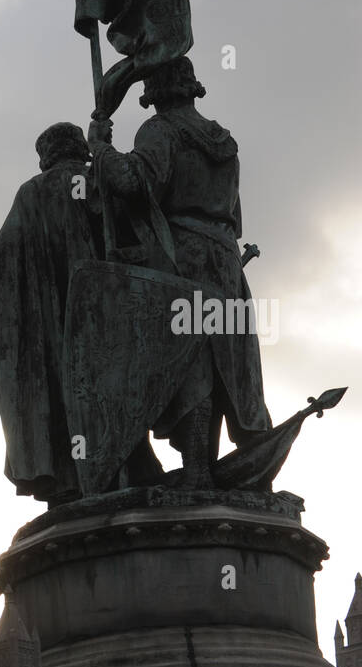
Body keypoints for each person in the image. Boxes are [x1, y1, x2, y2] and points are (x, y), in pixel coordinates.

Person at [87, 56, 271, 488]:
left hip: (181, 257)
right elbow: (235, 213)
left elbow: (134, 182)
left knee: (188, 360)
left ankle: (197, 470)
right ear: (192, 87)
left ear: (153, 92)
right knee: (227, 358)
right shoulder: (224, 141)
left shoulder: (160, 131)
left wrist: (101, 149)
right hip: (225, 257)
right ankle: (224, 460)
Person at [0, 122, 99, 500]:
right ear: (80, 147)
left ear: (46, 155)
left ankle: (66, 479)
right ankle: (114, 470)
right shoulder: (97, 182)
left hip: (48, 329)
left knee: (58, 399)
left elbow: (1, 261)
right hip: (100, 319)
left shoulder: (31, 194)